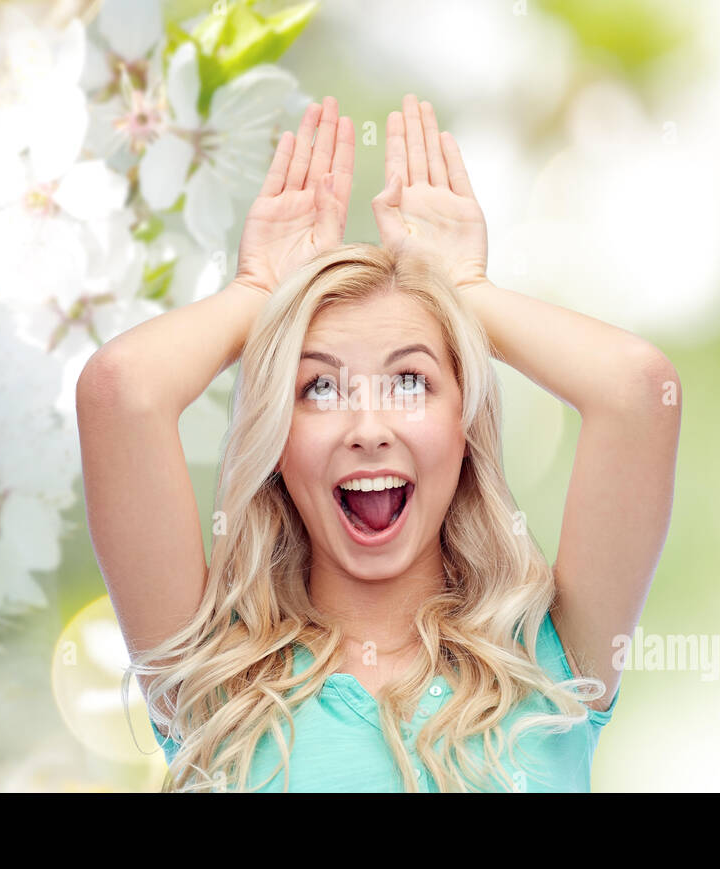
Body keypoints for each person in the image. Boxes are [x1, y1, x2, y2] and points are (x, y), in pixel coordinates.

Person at [76, 94, 681, 792]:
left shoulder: (550, 662)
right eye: (320, 390)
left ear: (464, 428)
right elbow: (120, 392)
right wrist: (261, 292)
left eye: (410, 382)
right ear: (277, 440)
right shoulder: (216, 679)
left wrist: (463, 291)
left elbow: (640, 390)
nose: (368, 429)